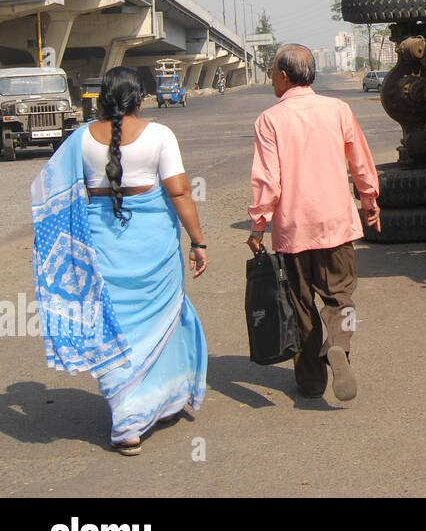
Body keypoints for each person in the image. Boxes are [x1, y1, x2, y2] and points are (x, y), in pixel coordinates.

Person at [30, 65, 208, 455]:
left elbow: (48, 189)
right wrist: (198, 241)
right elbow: (179, 192)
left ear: (103, 99)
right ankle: (130, 421)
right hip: (155, 248)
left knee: (112, 327)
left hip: (99, 250)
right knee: (161, 321)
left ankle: (144, 404)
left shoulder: (79, 139)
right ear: (138, 98)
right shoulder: (160, 134)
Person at [247, 44, 379, 402]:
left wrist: (259, 225)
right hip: (336, 224)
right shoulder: (338, 110)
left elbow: (268, 180)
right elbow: (361, 161)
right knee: (341, 297)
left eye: (273, 72)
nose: (272, 78)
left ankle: (311, 381)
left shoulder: (269, 120)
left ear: (284, 76)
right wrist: (370, 200)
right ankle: (338, 344)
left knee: (301, 305)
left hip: (293, 230)